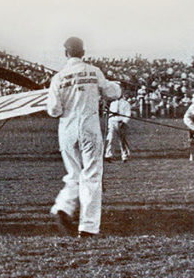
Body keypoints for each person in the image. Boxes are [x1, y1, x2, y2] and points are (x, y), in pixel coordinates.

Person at [46, 37, 121, 238]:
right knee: (92, 176)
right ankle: (88, 226)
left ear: (66, 53)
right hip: (89, 127)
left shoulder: (58, 77)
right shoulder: (94, 71)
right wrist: (117, 87)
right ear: (83, 52)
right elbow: (112, 92)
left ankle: (63, 206)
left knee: (74, 173)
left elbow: (53, 110)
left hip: (67, 129)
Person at [104, 90, 131, 163]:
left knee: (122, 140)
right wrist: (109, 124)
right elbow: (110, 115)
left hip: (121, 122)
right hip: (113, 122)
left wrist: (124, 122)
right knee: (110, 138)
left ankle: (125, 155)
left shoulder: (126, 103)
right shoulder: (113, 103)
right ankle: (108, 155)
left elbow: (128, 114)